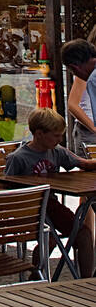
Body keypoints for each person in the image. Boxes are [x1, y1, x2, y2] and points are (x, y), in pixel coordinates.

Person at [5, 107, 96, 278]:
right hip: (27, 208)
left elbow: (83, 164)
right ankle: (37, 275)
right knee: (50, 236)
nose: (60, 139)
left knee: (83, 234)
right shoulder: (18, 158)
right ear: (39, 134)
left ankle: (86, 280)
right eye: (56, 135)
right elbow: (5, 187)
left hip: (50, 206)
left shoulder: (57, 151)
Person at [61, 39, 96, 154]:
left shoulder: (89, 74)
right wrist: (93, 128)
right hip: (88, 133)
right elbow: (73, 105)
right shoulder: (87, 74)